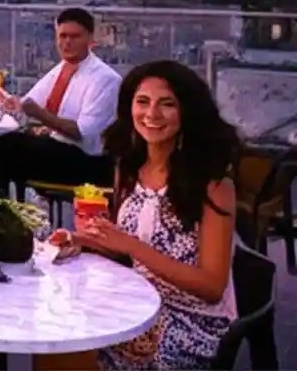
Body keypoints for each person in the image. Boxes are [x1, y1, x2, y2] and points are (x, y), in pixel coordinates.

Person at [64, 61, 240, 370]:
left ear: (187, 112)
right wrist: (85, 240)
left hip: (190, 320)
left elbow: (212, 287)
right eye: (142, 102)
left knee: (88, 346)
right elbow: (131, 253)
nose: (152, 115)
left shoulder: (213, 184)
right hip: (136, 301)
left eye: (167, 104)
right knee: (61, 327)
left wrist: (130, 246)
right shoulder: (128, 169)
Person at [0, 7, 121, 196]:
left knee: (0, 147)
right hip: (58, 149)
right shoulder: (62, 69)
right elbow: (29, 104)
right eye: (62, 36)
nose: (67, 43)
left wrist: (39, 115)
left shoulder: (105, 79)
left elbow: (83, 134)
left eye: (75, 37)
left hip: (86, 161)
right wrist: (8, 101)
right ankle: (0, 205)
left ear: (91, 40)